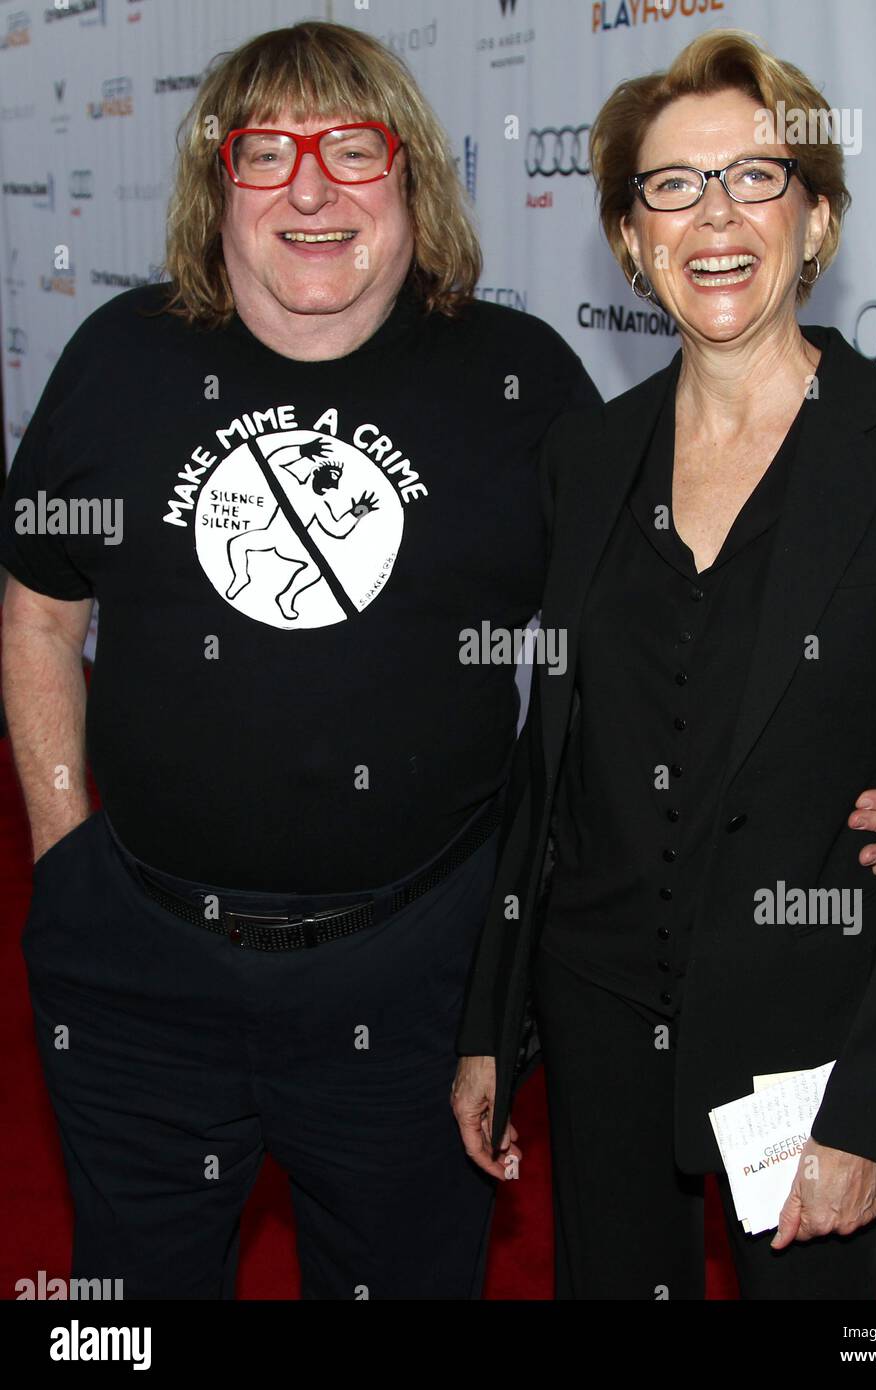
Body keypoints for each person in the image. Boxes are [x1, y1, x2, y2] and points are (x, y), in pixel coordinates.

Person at [0, 20, 606, 1300]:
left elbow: (626, 659)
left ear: (411, 180)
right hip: (136, 969)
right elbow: (40, 611)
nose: (312, 188)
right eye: (264, 153)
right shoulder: (119, 359)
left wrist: (834, 763)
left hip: (419, 981)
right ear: (216, 185)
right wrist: (63, 855)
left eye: (352, 148)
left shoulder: (520, 383)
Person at [452, 29, 876, 1301]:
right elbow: (545, 766)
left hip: (806, 1035)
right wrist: (490, 1025)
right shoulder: (584, 457)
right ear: (631, 236)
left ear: (813, 220)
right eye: (672, 186)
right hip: (593, 1003)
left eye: (756, 179)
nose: (714, 216)